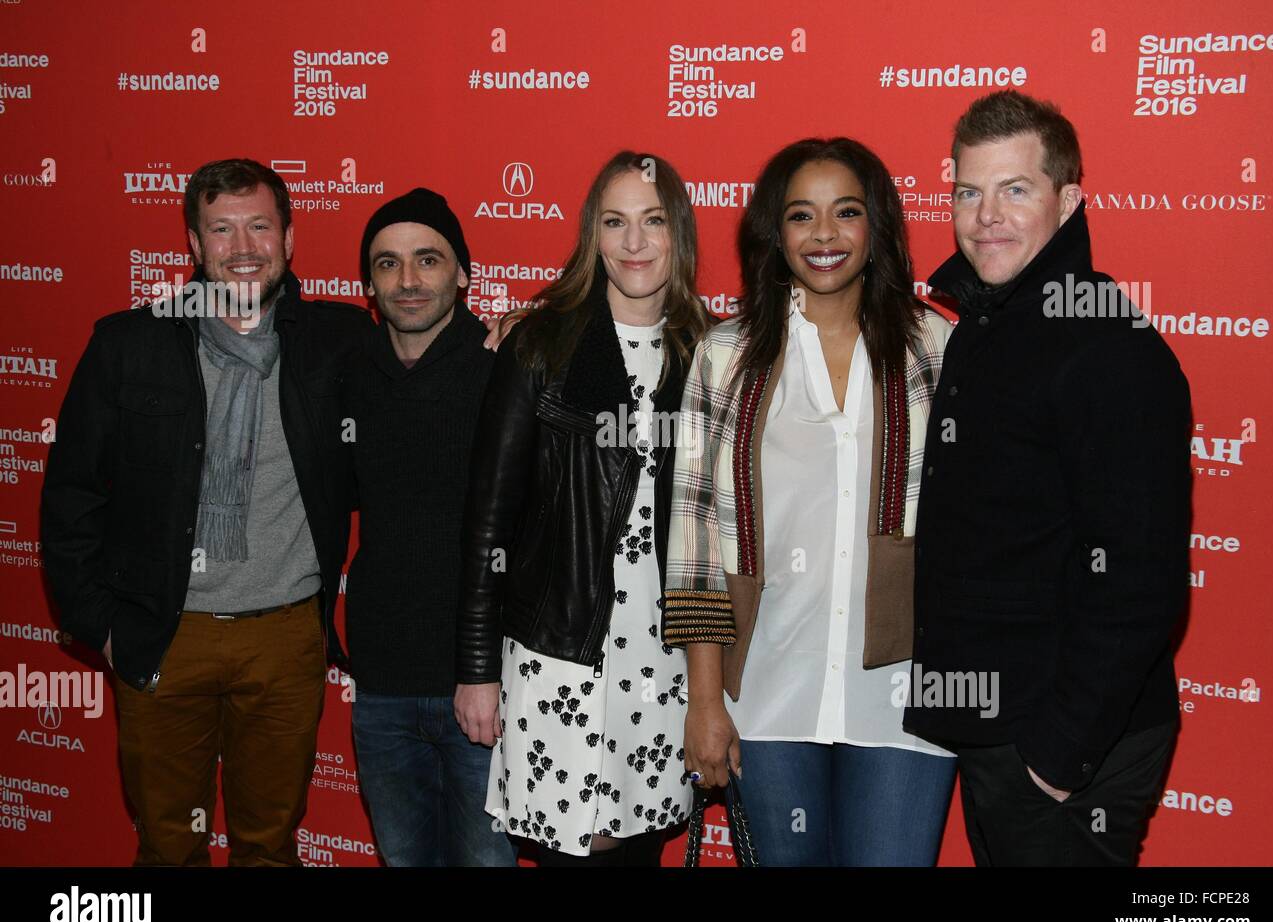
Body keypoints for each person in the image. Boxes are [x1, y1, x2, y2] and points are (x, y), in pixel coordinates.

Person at [41, 158, 369, 865]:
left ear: (289, 238)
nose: (243, 246)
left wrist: (507, 332)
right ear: (193, 244)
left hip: (284, 641)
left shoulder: (337, 344)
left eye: (260, 225)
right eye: (221, 229)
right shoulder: (129, 345)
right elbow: (71, 497)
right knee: (168, 846)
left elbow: (427, 352)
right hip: (164, 636)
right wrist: (99, 628)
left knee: (269, 847)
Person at [903, 91, 1191, 866]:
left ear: (1069, 202)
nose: (986, 214)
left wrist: (1059, 757)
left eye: (1015, 190)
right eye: (969, 191)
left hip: (1065, 746)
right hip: (1006, 727)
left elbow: (1139, 573)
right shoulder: (987, 327)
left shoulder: (1105, 344)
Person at [663, 138, 957, 866]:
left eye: (846, 212)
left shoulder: (936, 347)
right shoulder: (725, 357)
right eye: (802, 215)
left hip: (904, 698)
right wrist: (706, 703)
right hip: (765, 695)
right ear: (775, 232)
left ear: (877, 225)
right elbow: (696, 540)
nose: (824, 235)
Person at [455, 151, 713, 865]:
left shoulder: (711, 352)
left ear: (679, 234)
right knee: (573, 855)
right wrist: (476, 669)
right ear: (592, 236)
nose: (634, 243)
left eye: (653, 221)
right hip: (558, 654)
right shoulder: (540, 345)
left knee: (635, 853)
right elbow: (488, 521)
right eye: (615, 221)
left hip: (666, 664)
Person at [343, 188, 514, 866]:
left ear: (463, 274)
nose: (408, 281)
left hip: (484, 687)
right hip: (380, 685)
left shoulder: (507, 367)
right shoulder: (344, 371)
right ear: (368, 283)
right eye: (388, 264)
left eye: (428, 260)